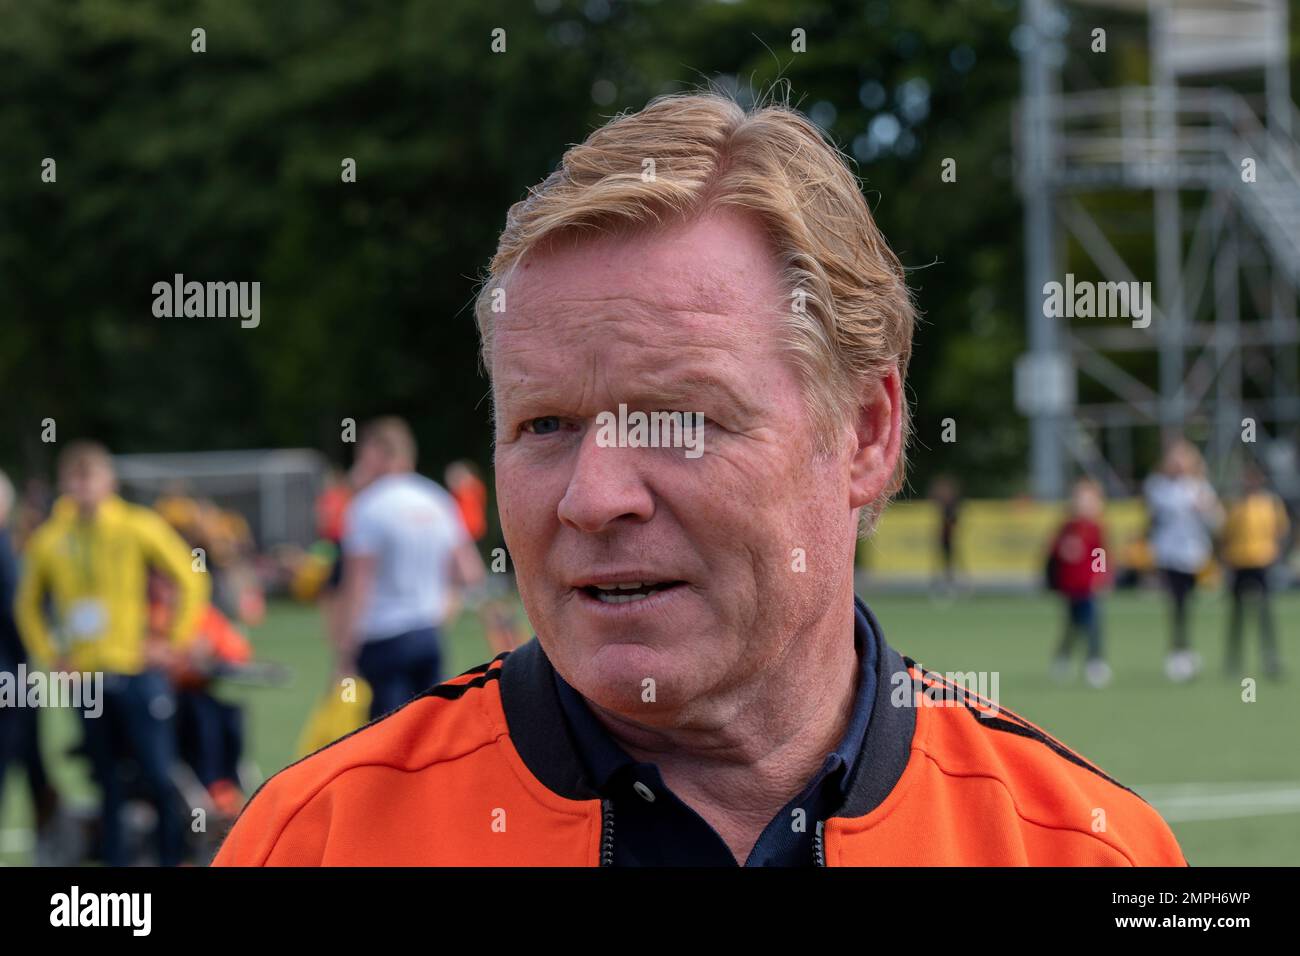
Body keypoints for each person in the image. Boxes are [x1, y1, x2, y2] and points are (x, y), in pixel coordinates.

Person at [215, 92, 1184, 866]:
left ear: (867, 433)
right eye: (543, 424)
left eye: (677, 420)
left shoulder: (1086, 849)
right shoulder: (317, 839)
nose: (592, 497)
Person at [15, 441, 209, 866]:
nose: (83, 488)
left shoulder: (137, 526)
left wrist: (171, 641)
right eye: (75, 479)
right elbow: (26, 605)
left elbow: (192, 578)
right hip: (86, 677)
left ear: (108, 481)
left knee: (158, 774)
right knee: (107, 782)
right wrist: (51, 655)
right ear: (65, 484)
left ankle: (173, 857)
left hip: (136, 671)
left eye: (90, 477)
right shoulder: (52, 538)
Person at [331, 417, 487, 720]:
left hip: (383, 637)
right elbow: (470, 573)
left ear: (377, 454)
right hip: (428, 634)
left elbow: (357, 587)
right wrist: (441, 608)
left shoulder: (367, 506)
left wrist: (344, 655)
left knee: (386, 737)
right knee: (426, 733)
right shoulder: (437, 499)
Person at [0, 469, 62, 845]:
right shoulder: (5, 551)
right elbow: (14, 616)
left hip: (14, 675)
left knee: (30, 758)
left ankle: (51, 831)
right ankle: (51, 833)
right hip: (10, 677)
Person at [1144, 440, 1222, 683]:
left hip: (1194, 555)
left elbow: (1217, 521)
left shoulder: (1200, 487)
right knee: (1177, 603)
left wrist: (1205, 508)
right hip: (1169, 554)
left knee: (1189, 602)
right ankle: (1179, 652)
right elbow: (1158, 512)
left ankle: (1184, 651)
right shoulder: (1158, 486)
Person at [1219, 465, 1289, 679]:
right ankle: (1234, 660)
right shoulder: (1235, 505)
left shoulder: (1270, 504)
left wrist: (1277, 554)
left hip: (1263, 562)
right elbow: (1224, 534)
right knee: (1237, 614)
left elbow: (1282, 531)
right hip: (1239, 563)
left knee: (1264, 613)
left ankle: (1271, 658)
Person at [1047, 478, 1111, 688]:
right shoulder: (1066, 527)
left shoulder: (1095, 528)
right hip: (1070, 585)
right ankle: (1063, 657)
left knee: (1093, 624)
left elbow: (1100, 553)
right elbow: (1054, 552)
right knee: (1072, 625)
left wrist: (1100, 577)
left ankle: (1095, 662)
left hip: (1089, 586)